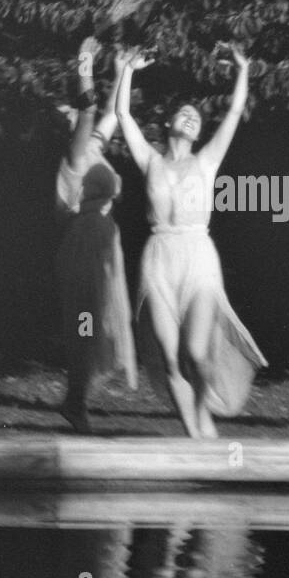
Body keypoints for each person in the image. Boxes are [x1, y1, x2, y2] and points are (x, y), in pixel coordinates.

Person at [115, 45, 266, 439]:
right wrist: (127, 70)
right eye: (184, 114)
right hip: (159, 257)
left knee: (197, 354)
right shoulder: (151, 161)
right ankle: (194, 435)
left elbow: (233, 112)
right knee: (170, 359)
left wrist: (242, 70)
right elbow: (122, 115)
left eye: (197, 118)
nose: (191, 119)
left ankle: (203, 416)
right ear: (168, 124)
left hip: (198, 257)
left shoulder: (207, 162)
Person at [55, 37, 138, 433]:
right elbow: (91, 108)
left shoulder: (95, 150)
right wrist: (84, 62)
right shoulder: (75, 156)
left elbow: (112, 115)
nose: (81, 118)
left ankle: (75, 400)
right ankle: (76, 402)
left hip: (104, 242)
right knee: (85, 322)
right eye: (75, 116)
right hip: (86, 242)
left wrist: (123, 70)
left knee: (94, 322)